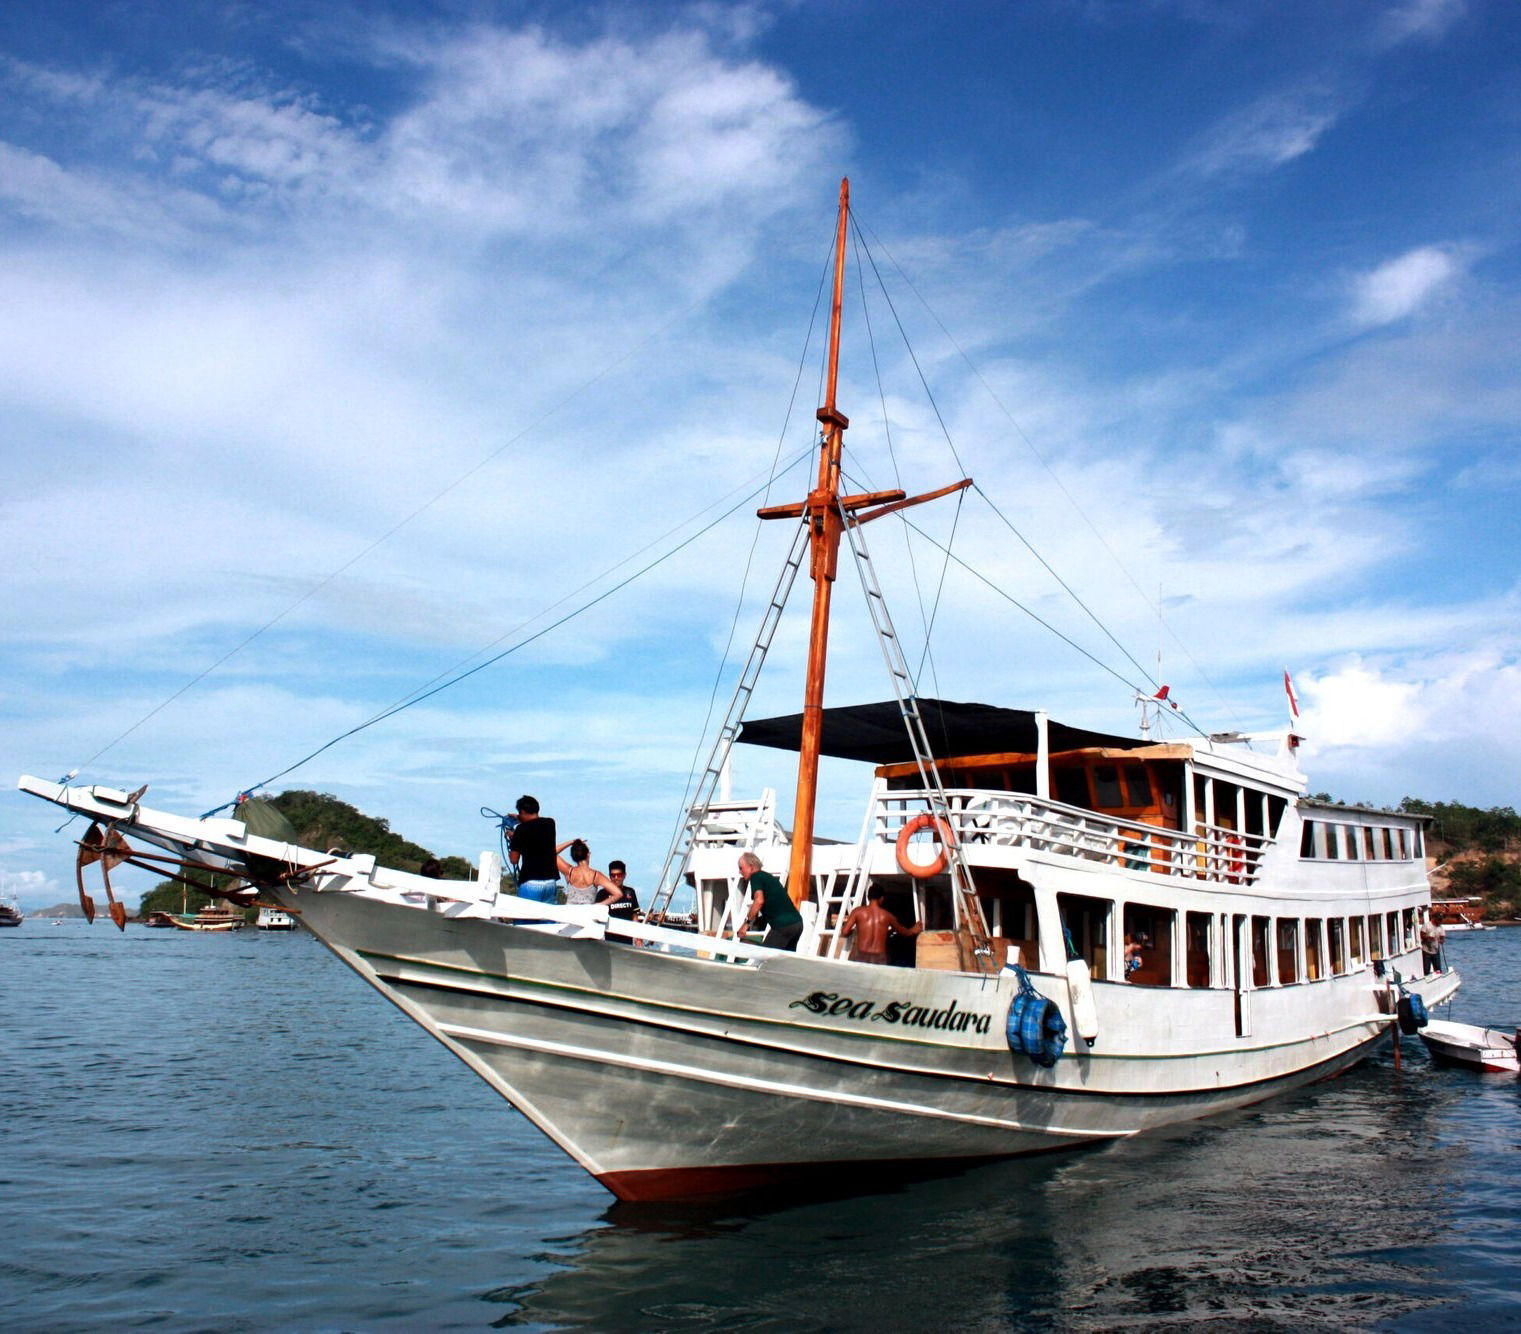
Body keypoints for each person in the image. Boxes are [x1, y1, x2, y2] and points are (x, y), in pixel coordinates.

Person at [734, 851, 803, 951]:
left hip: (783, 925)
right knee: (785, 958)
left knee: (764, 955)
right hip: (797, 923)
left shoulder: (756, 877)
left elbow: (759, 900)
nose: (740, 872)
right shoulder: (769, 877)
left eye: (741, 868)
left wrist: (745, 925)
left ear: (751, 867)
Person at [839, 885, 922, 965]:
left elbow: (844, 932)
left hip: (862, 956)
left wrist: (855, 932)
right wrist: (913, 930)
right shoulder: (887, 916)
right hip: (879, 958)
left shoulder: (857, 912)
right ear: (882, 898)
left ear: (868, 897)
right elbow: (904, 932)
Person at [508, 795, 560, 904]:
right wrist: (519, 818)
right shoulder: (550, 823)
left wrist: (513, 839)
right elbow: (535, 826)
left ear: (522, 811)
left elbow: (514, 860)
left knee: (525, 914)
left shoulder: (520, 830)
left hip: (531, 882)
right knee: (547, 914)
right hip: (550, 881)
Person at [557, 838, 618, 906]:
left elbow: (551, 852)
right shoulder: (596, 876)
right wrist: (598, 906)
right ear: (588, 854)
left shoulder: (569, 871)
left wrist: (572, 842)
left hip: (570, 911)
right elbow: (618, 894)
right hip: (588, 912)